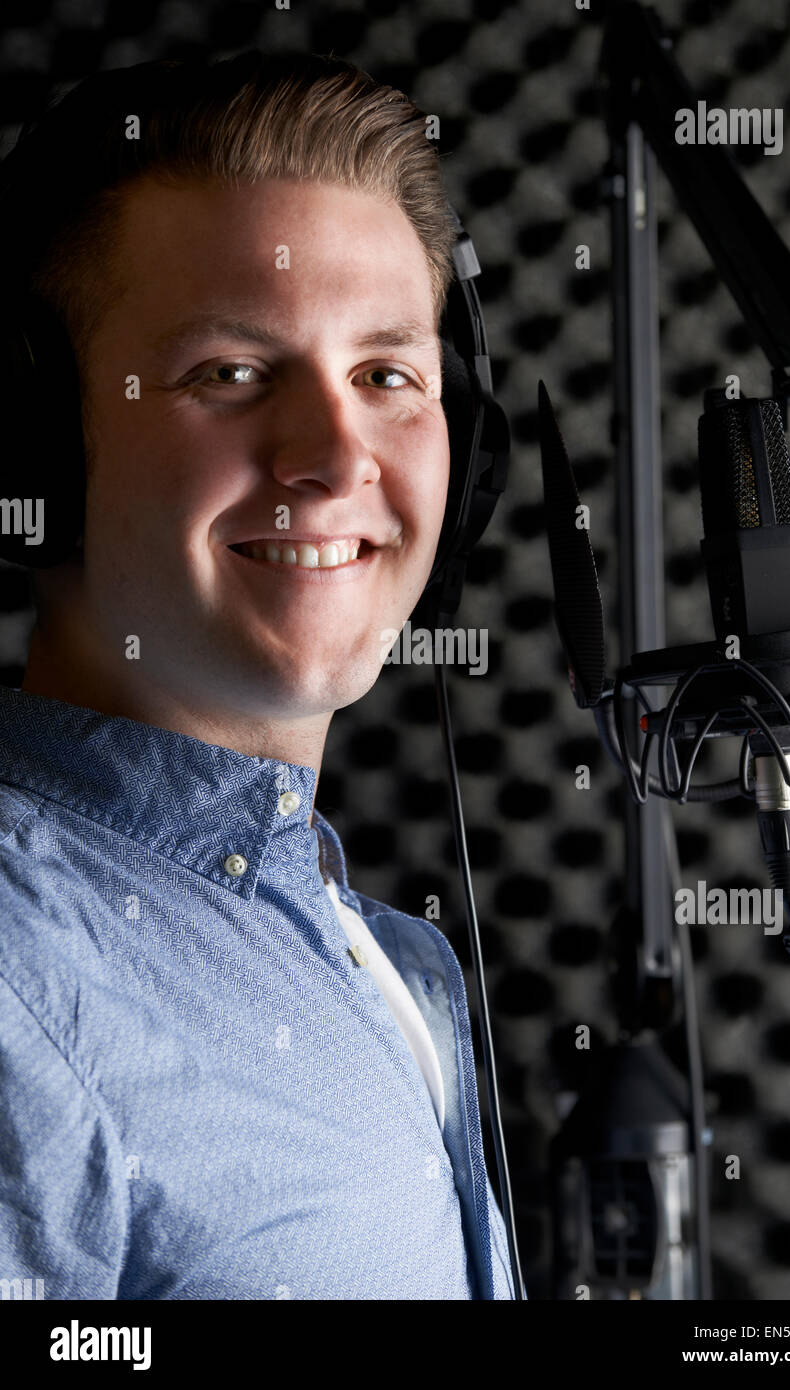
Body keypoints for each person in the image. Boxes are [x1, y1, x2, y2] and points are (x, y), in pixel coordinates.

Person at [0, 50, 514, 1300]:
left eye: (388, 374)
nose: (336, 459)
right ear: (30, 436)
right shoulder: (21, 985)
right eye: (230, 373)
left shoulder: (349, 945)